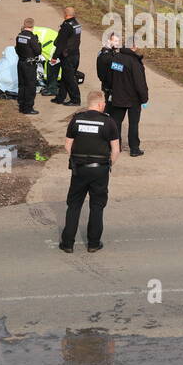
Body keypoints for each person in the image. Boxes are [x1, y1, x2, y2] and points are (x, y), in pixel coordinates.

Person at [59, 90, 120, 253]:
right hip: (99, 170)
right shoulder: (109, 122)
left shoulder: (76, 120)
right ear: (100, 104)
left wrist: (77, 160)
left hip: (79, 169)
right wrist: (108, 165)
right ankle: (93, 243)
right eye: (104, 103)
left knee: (74, 205)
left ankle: (67, 244)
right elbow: (116, 150)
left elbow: (67, 145)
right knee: (97, 206)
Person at [106, 39, 148, 157]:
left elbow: (111, 77)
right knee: (133, 124)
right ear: (133, 47)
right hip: (134, 99)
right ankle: (134, 149)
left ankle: (116, 147)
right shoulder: (135, 62)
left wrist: (111, 91)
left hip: (118, 96)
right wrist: (144, 98)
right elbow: (140, 83)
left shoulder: (116, 59)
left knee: (116, 123)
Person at [50, 6, 83, 106]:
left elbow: (60, 43)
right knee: (65, 77)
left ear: (66, 14)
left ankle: (75, 100)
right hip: (75, 54)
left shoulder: (66, 26)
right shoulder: (77, 24)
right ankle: (60, 97)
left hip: (68, 56)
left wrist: (54, 57)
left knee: (70, 79)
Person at [14, 18, 41, 115]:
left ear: (24, 25)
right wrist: (39, 43)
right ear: (32, 26)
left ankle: (21, 106)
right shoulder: (32, 37)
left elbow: (16, 49)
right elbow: (38, 51)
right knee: (30, 86)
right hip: (29, 65)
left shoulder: (19, 36)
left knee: (22, 85)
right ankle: (28, 108)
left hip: (20, 63)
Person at [96, 32, 121, 105]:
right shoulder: (108, 57)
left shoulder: (104, 52)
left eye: (118, 41)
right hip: (109, 85)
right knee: (109, 106)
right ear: (108, 41)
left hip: (106, 83)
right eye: (115, 41)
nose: (117, 43)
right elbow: (120, 68)